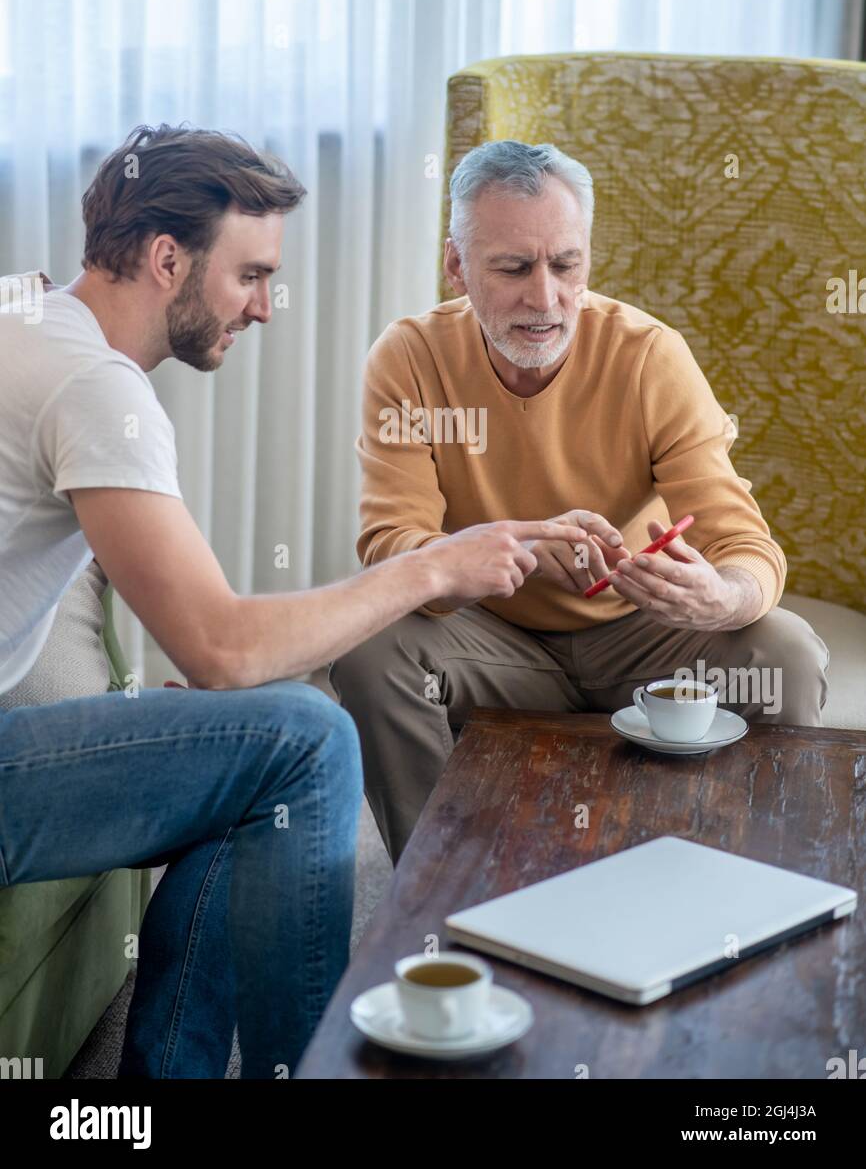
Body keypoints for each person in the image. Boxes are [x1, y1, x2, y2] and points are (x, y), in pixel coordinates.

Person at [0, 125, 584, 1078]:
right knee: (309, 738)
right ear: (164, 259)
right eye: (251, 275)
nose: (268, 307)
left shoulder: (25, 316)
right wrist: (435, 567)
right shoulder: (93, 390)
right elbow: (219, 650)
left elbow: (210, 655)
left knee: (263, 739)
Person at [330, 140, 830, 864]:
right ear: (456, 265)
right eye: (512, 268)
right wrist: (519, 553)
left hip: (643, 638)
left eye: (566, 264)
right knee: (369, 649)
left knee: (784, 653)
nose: (544, 298)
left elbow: (748, 547)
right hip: (490, 641)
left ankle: (761, 877)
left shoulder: (648, 355)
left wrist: (720, 597)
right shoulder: (409, 357)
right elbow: (390, 549)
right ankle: (438, 884)